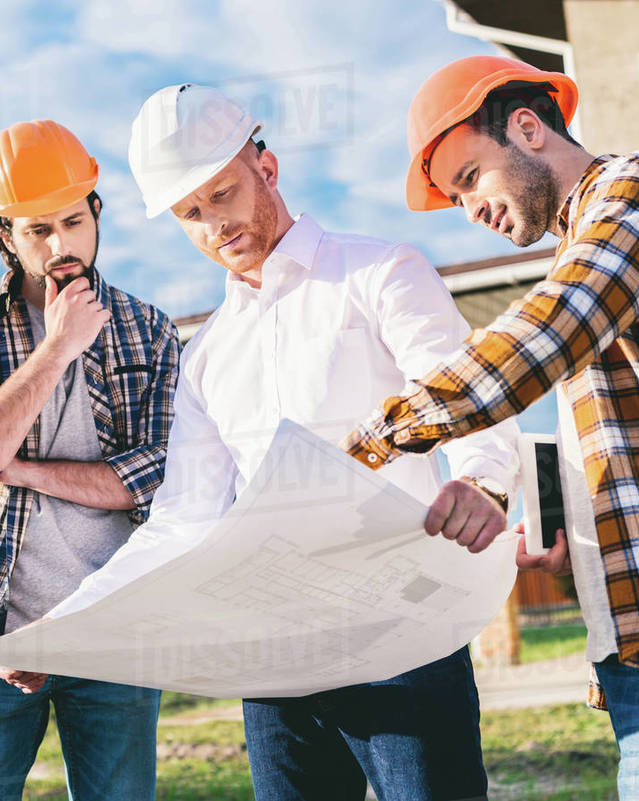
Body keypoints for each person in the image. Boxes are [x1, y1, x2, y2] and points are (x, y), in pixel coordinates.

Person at [340, 55, 639, 800]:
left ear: (528, 129)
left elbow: (547, 333)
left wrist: (372, 438)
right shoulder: (588, 249)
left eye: (469, 177)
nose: (470, 208)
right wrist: (581, 545)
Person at [54, 83, 521, 801]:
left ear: (265, 170)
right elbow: (185, 515)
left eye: (223, 193)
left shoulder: (379, 272)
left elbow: (465, 388)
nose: (215, 223)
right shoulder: (207, 354)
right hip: (275, 655)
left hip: (398, 630)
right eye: (191, 213)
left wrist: (484, 480)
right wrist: (65, 625)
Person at [0, 120, 179, 800]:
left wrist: (23, 468)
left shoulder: (148, 330)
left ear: (97, 212)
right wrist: (58, 347)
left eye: (73, 220)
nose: (62, 245)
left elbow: (158, 480)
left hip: (112, 637)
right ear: (5, 235)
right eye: (38, 230)